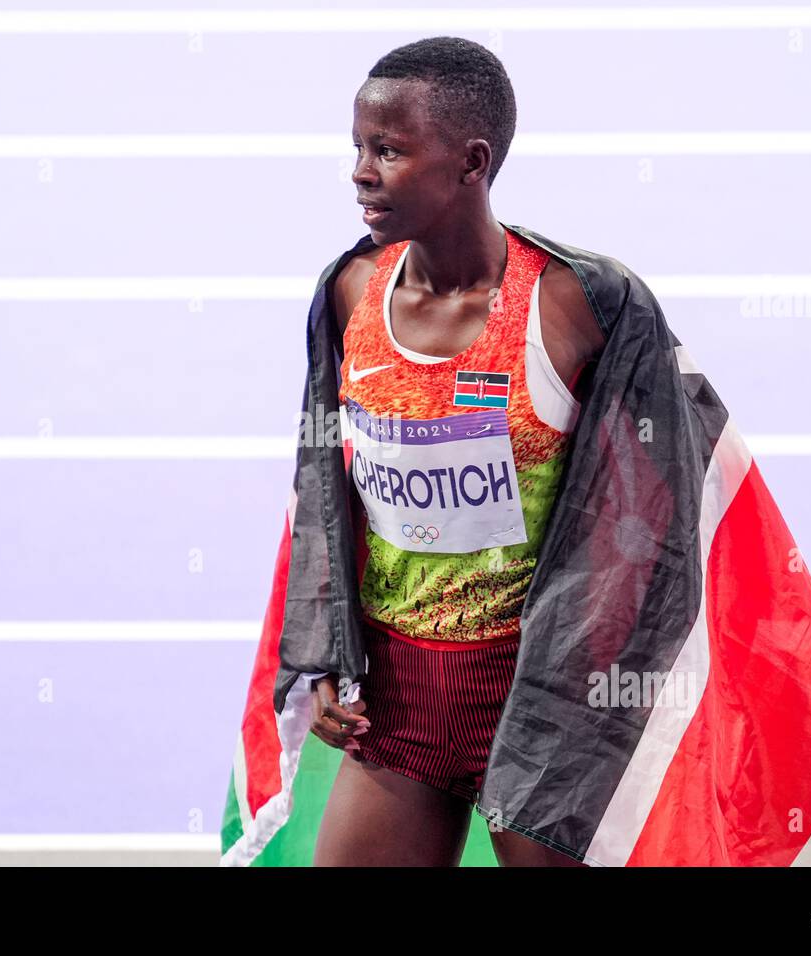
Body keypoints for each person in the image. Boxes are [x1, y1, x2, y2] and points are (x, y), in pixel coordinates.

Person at [305, 36, 605, 867]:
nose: (361, 172)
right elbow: (328, 492)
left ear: (472, 162)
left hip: (539, 705)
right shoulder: (353, 293)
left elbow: (653, 515)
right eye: (359, 149)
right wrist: (324, 644)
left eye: (389, 151)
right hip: (399, 705)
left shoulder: (570, 304)